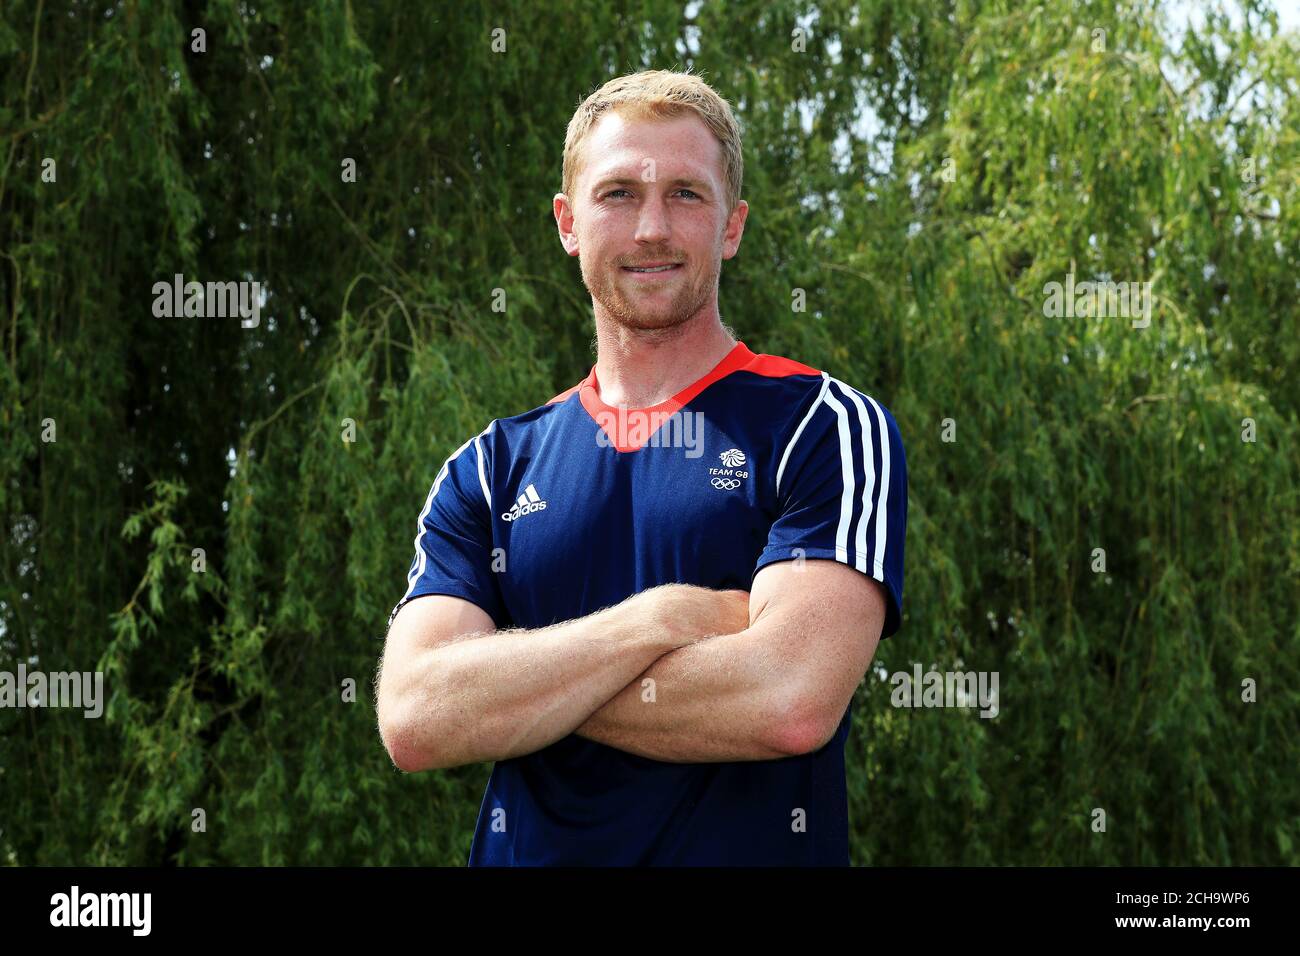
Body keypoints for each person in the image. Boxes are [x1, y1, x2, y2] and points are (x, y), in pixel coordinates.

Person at [376, 69, 908, 866]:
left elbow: (786, 700)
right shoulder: (488, 469)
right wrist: (655, 621)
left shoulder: (820, 427)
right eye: (618, 193)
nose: (651, 228)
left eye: (687, 195)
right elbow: (417, 716)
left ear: (732, 226)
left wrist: (511, 683)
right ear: (568, 223)